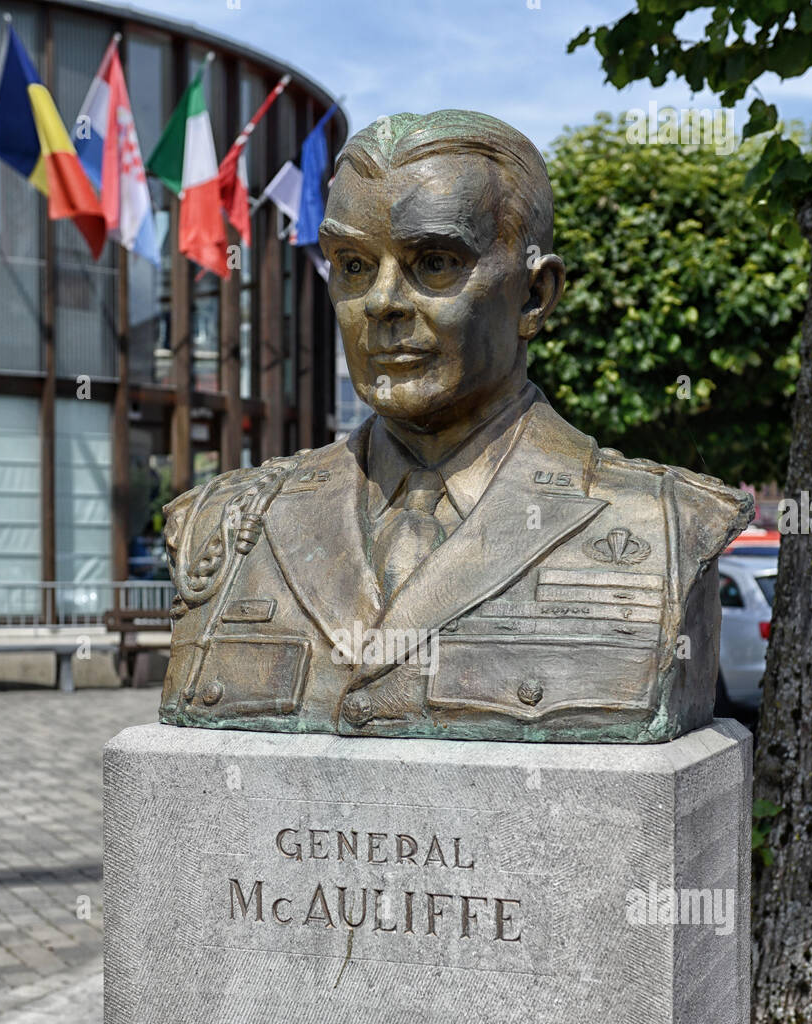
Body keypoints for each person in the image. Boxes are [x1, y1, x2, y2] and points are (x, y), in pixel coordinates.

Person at [159, 109, 751, 741]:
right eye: (354, 266)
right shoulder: (226, 520)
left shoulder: (666, 522)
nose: (383, 301)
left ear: (535, 296)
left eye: (434, 261)